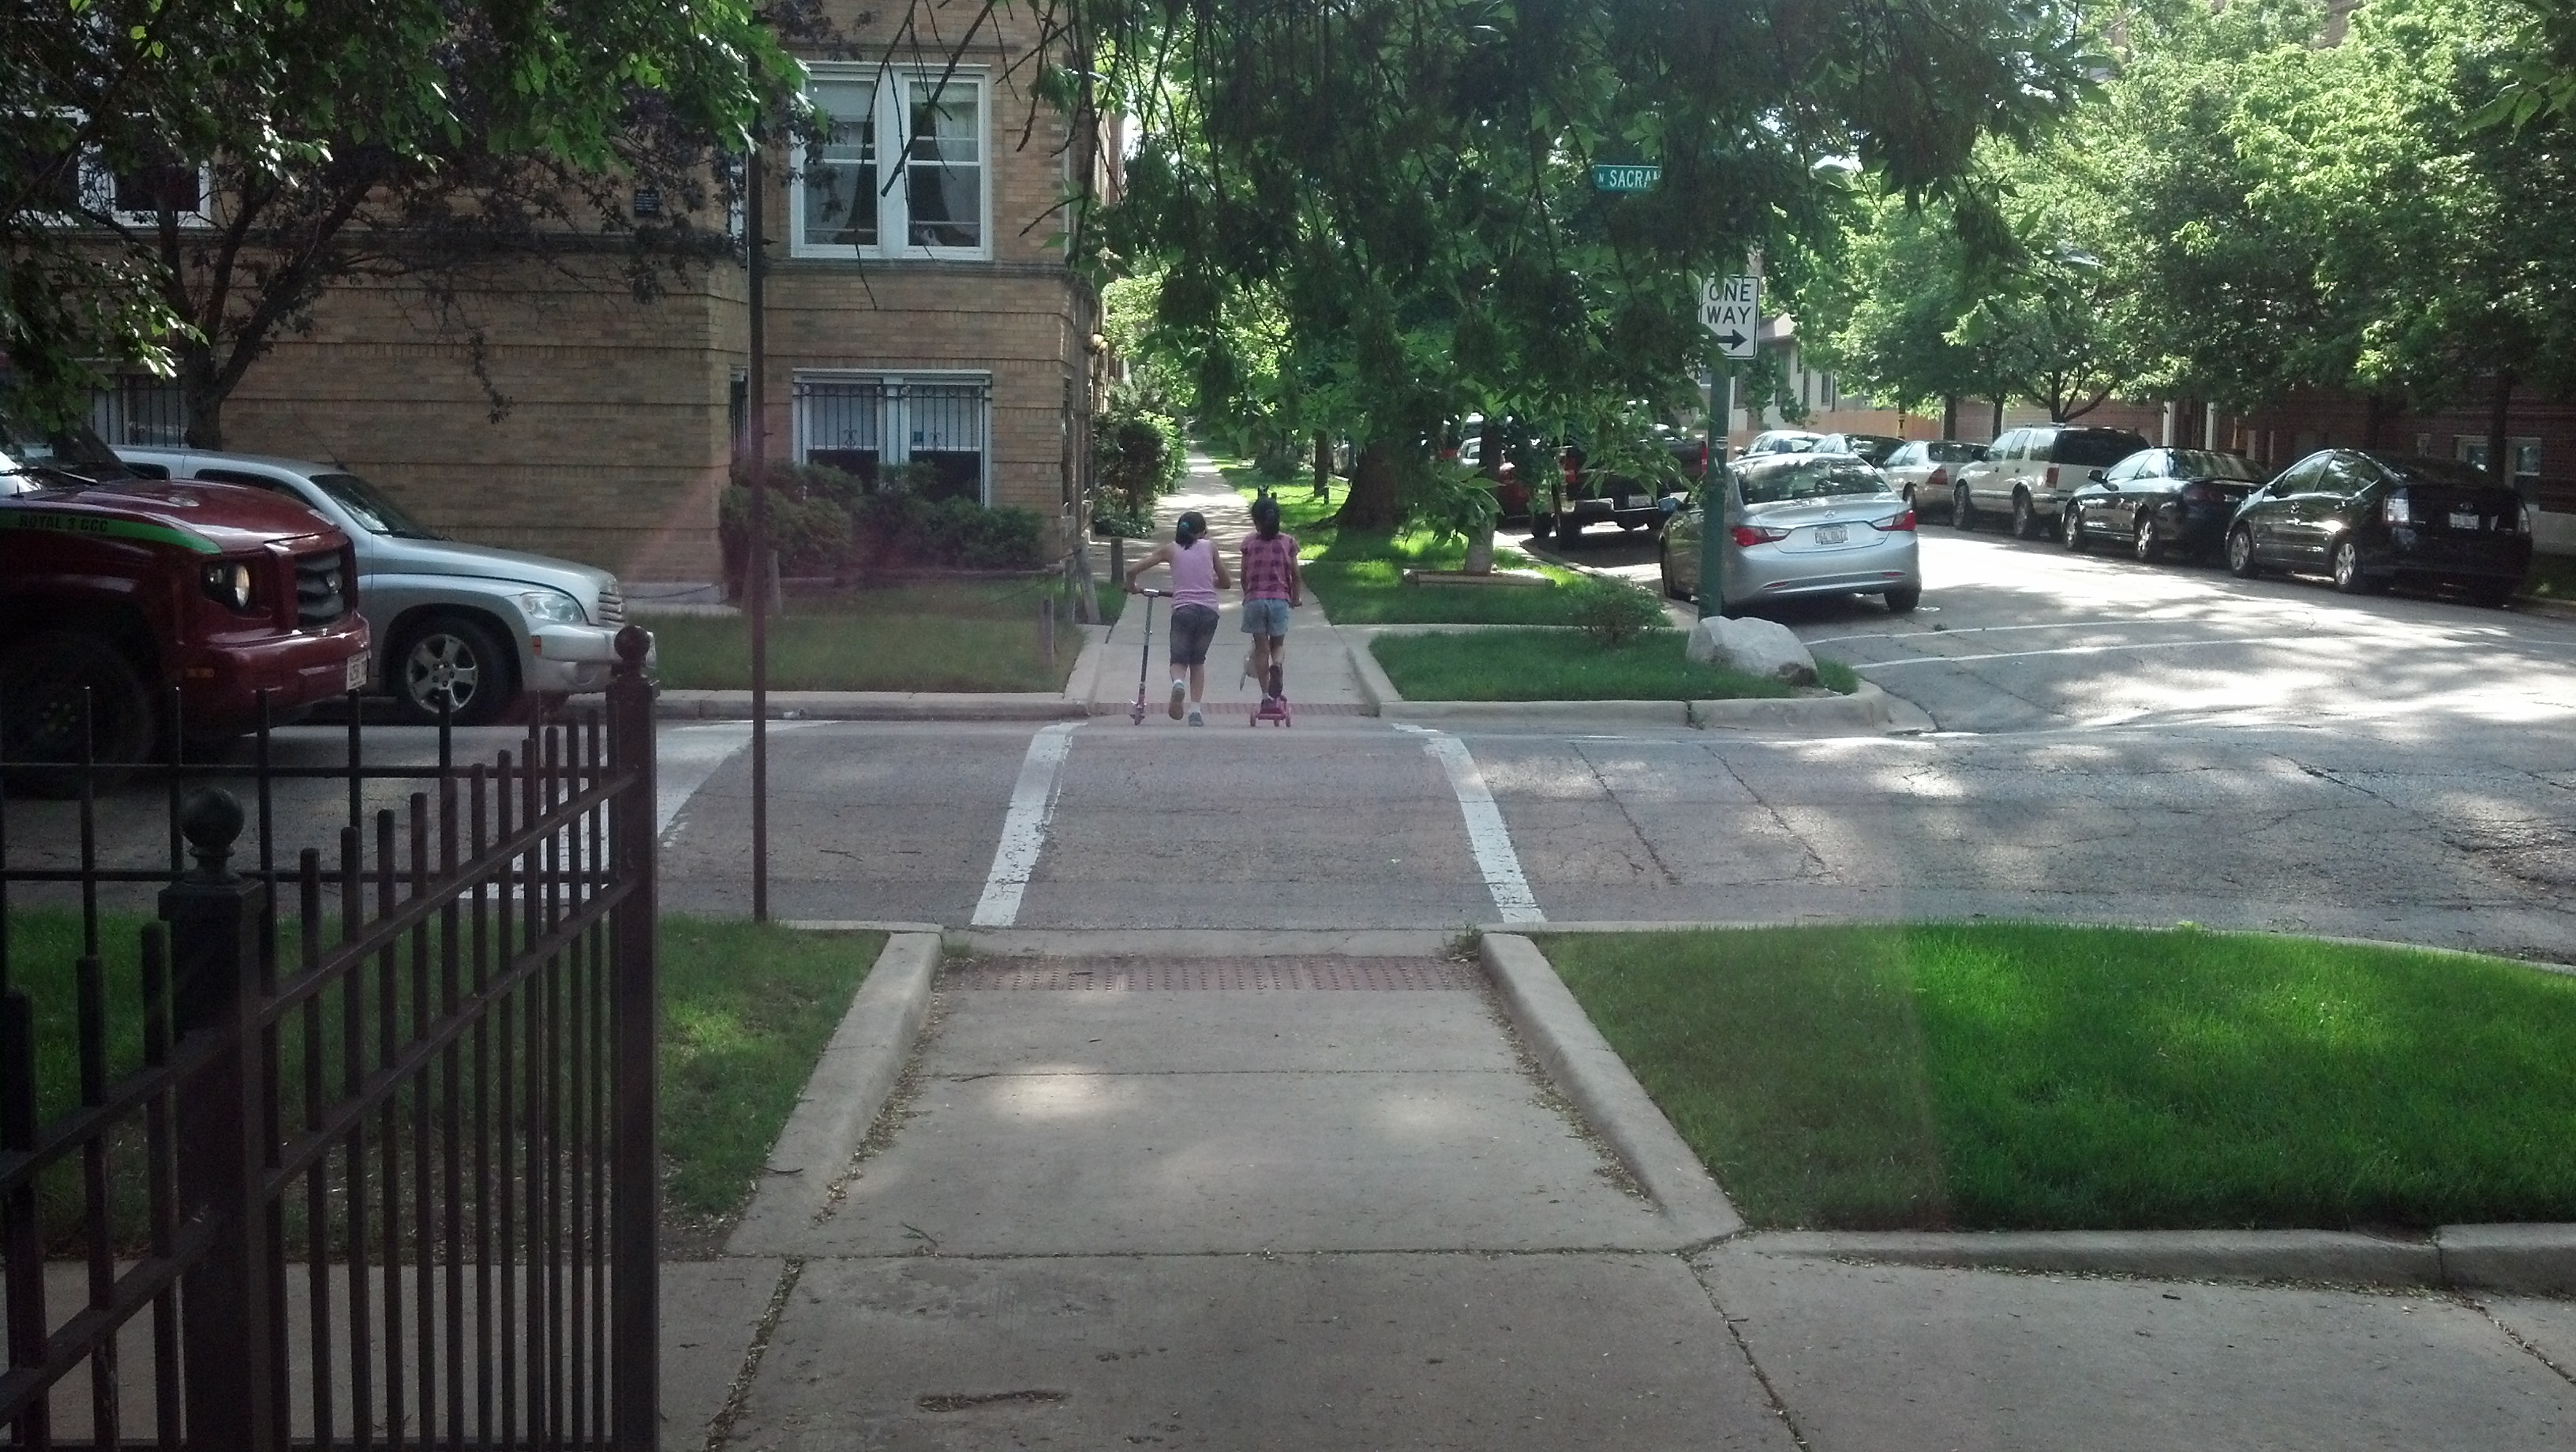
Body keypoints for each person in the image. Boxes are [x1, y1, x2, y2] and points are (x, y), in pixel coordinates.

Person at [1125, 509, 1229, 725]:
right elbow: (1226, 582)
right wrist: (1209, 584)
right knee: (1198, 662)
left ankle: (1178, 683)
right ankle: (1195, 711)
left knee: (1179, 660)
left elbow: (1132, 570)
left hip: (1184, 610)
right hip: (1209, 611)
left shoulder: (1170, 550)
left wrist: (1132, 587)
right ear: (1203, 533)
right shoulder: (1210, 547)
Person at [1238, 492, 1302, 704]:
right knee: (1278, 645)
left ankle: (1266, 695)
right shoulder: (1288, 542)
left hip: (1255, 600)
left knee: (1261, 648)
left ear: (1256, 521)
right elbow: (1295, 575)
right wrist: (1295, 598)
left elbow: (1244, 575)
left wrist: (1248, 593)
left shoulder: (1249, 542)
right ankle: (1277, 665)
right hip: (1279, 600)